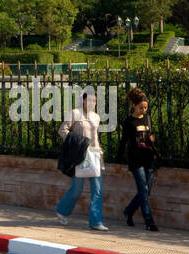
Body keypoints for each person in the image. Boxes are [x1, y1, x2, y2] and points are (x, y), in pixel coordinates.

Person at [55, 92, 108, 231]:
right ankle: (62, 210)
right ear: (83, 101)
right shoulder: (74, 113)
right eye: (89, 100)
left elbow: (95, 136)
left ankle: (96, 222)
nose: (92, 103)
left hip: (94, 155)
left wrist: (100, 152)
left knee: (97, 190)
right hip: (79, 156)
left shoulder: (96, 117)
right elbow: (62, 130)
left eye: (94, 101)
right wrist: (76, 143)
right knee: (77, 189)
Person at [117, 88, 160, 231]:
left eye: (146, 107)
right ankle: (149, 221)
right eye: (141, 107)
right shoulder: (129, 122)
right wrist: (118, 159)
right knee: (142, 190)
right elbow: (123, 141)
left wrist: (152, 139)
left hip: (149, 158)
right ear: (134, 106)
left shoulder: (147, 118)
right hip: (136, 160)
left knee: (147, 191)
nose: (144, 110)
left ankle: (129, 211)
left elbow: (151, 135)